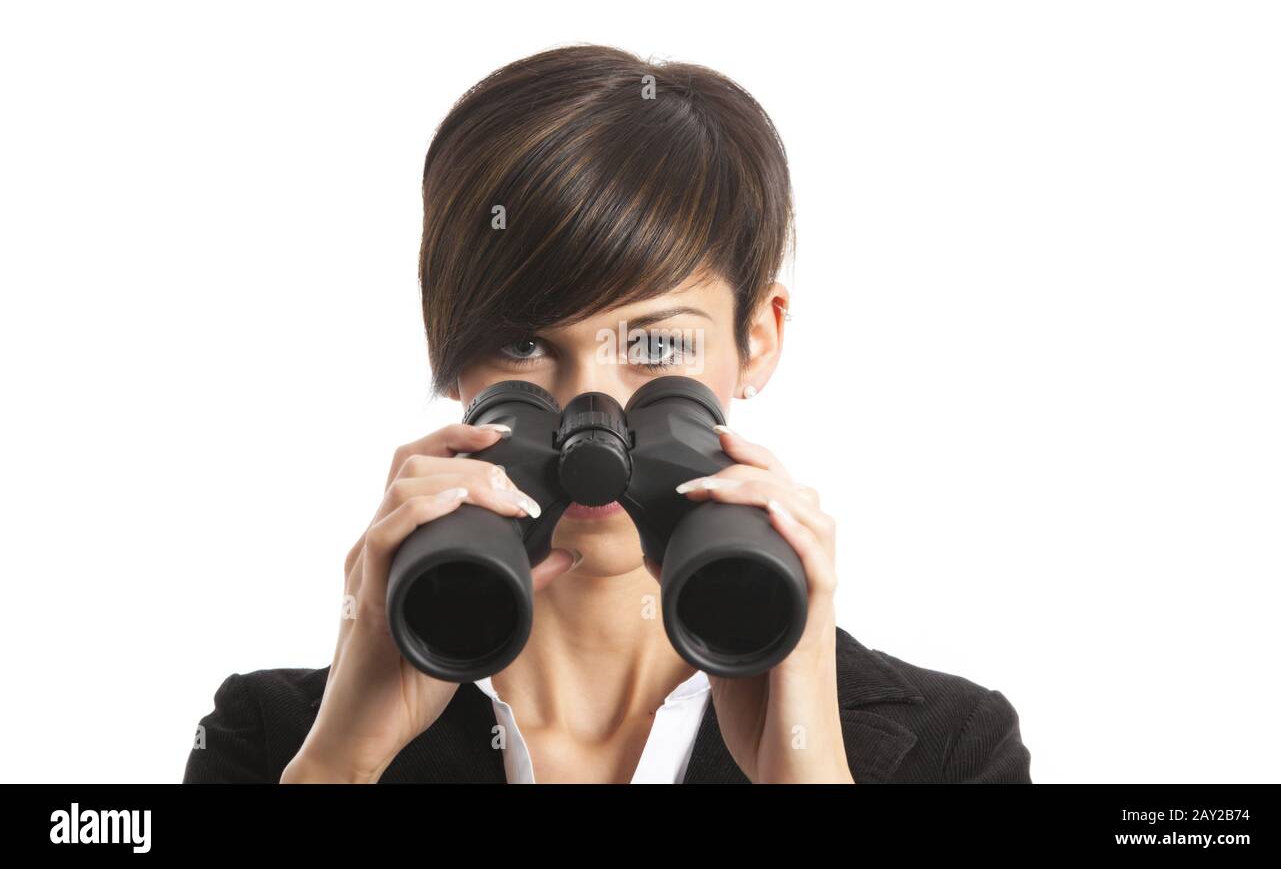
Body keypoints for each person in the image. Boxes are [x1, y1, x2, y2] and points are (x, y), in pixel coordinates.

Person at [183, 44, 1032, 784]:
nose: (593, 415)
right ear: (452, 354)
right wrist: (342, 762)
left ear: (759, 339)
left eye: (658, 353)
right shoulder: (273, 743)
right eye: (522, 349)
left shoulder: (949, 752)